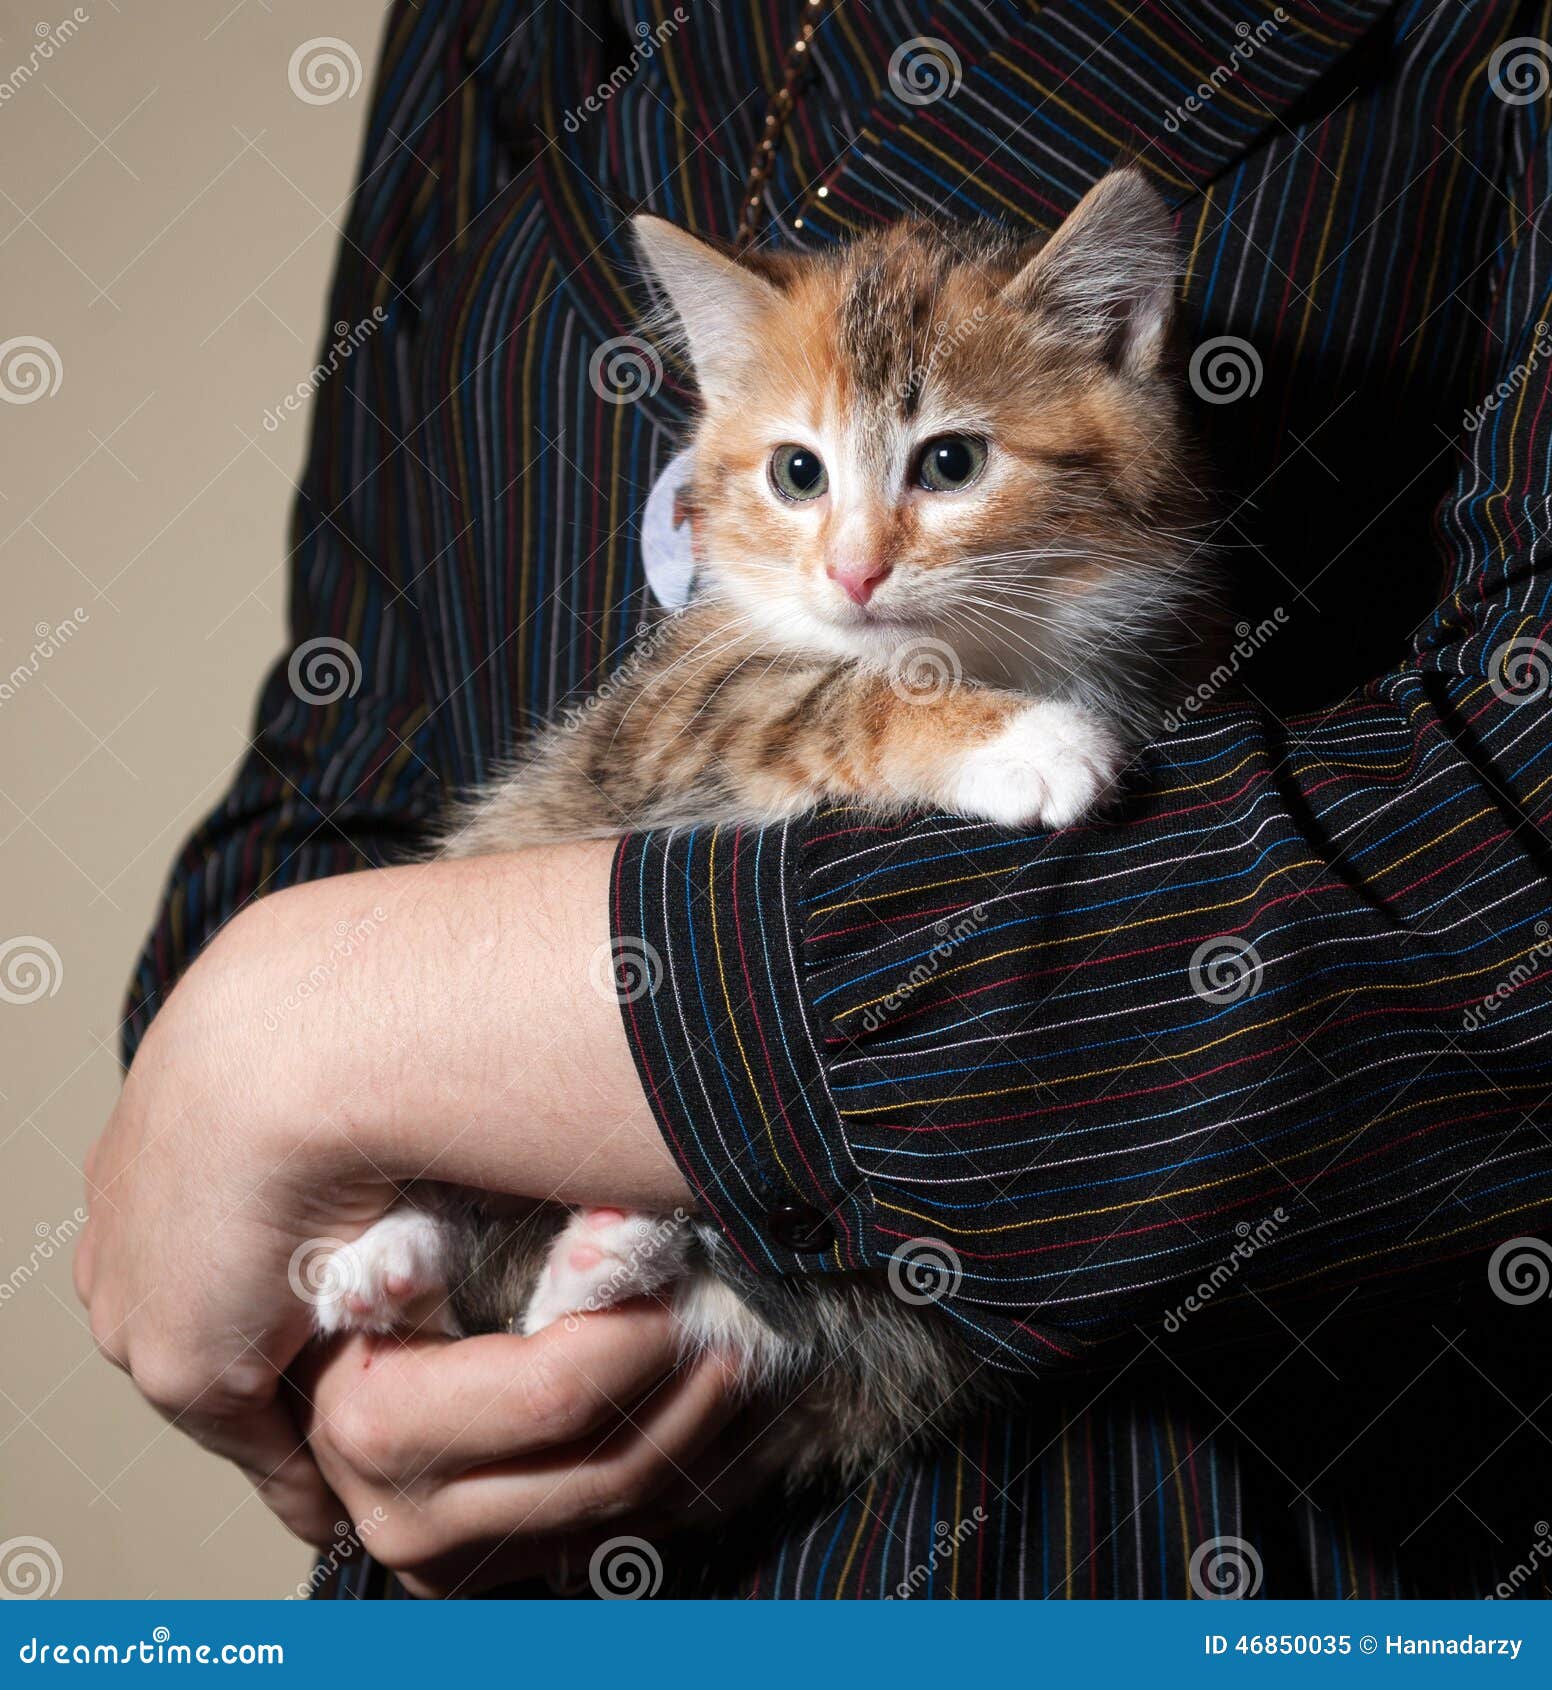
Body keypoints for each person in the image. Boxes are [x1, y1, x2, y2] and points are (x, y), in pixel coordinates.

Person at [79, 0, 1552, 1599]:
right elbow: (334, 775)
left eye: (940, 469)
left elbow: (1495, 864)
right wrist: (276, 1220)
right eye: (798, 479)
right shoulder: (492, 33)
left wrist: (331, 1023)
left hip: (1154, 1543)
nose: (857, 560)